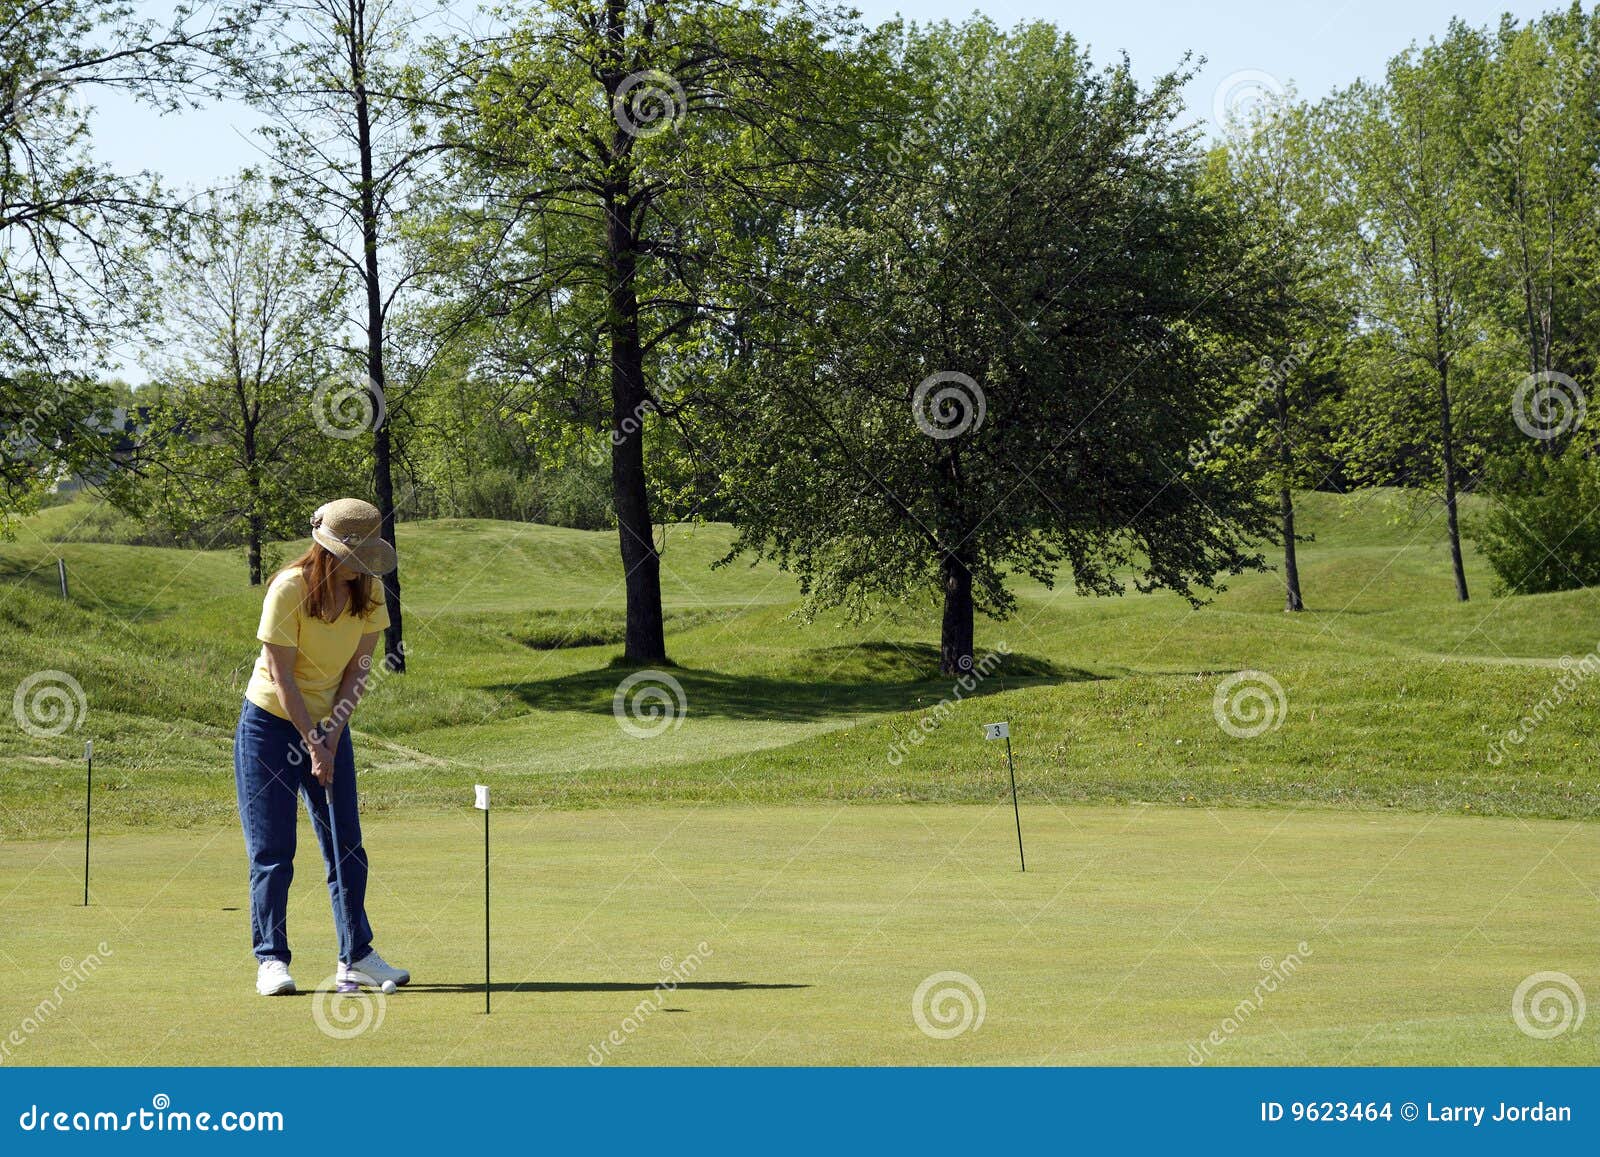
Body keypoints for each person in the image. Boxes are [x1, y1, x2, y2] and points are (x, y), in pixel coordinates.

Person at [234, 497, 410, 996]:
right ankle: (271, 959)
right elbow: (281, 676)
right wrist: (312, 742)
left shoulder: (368, 593)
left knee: (346, 845)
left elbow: (359, 670)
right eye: (357, 557)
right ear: (329, 552)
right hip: (269, 725)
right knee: (273, 850)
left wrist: (330, 736)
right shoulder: (289, 589)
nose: (363, 567)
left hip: (332, 725)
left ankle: (355, 955)